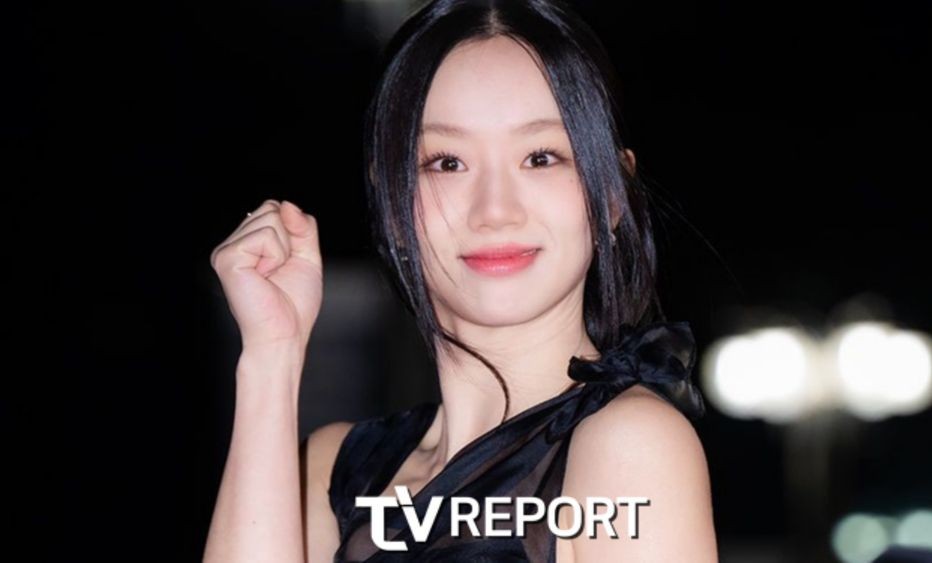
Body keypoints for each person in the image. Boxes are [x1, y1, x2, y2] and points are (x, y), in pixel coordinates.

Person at [204, 0, 717, 561]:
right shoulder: (336, 471)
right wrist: (271, 355)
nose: (494, 210)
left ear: (612, 195)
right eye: (447, 163)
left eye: (541, 157)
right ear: (392, 205)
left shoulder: (630, 446)